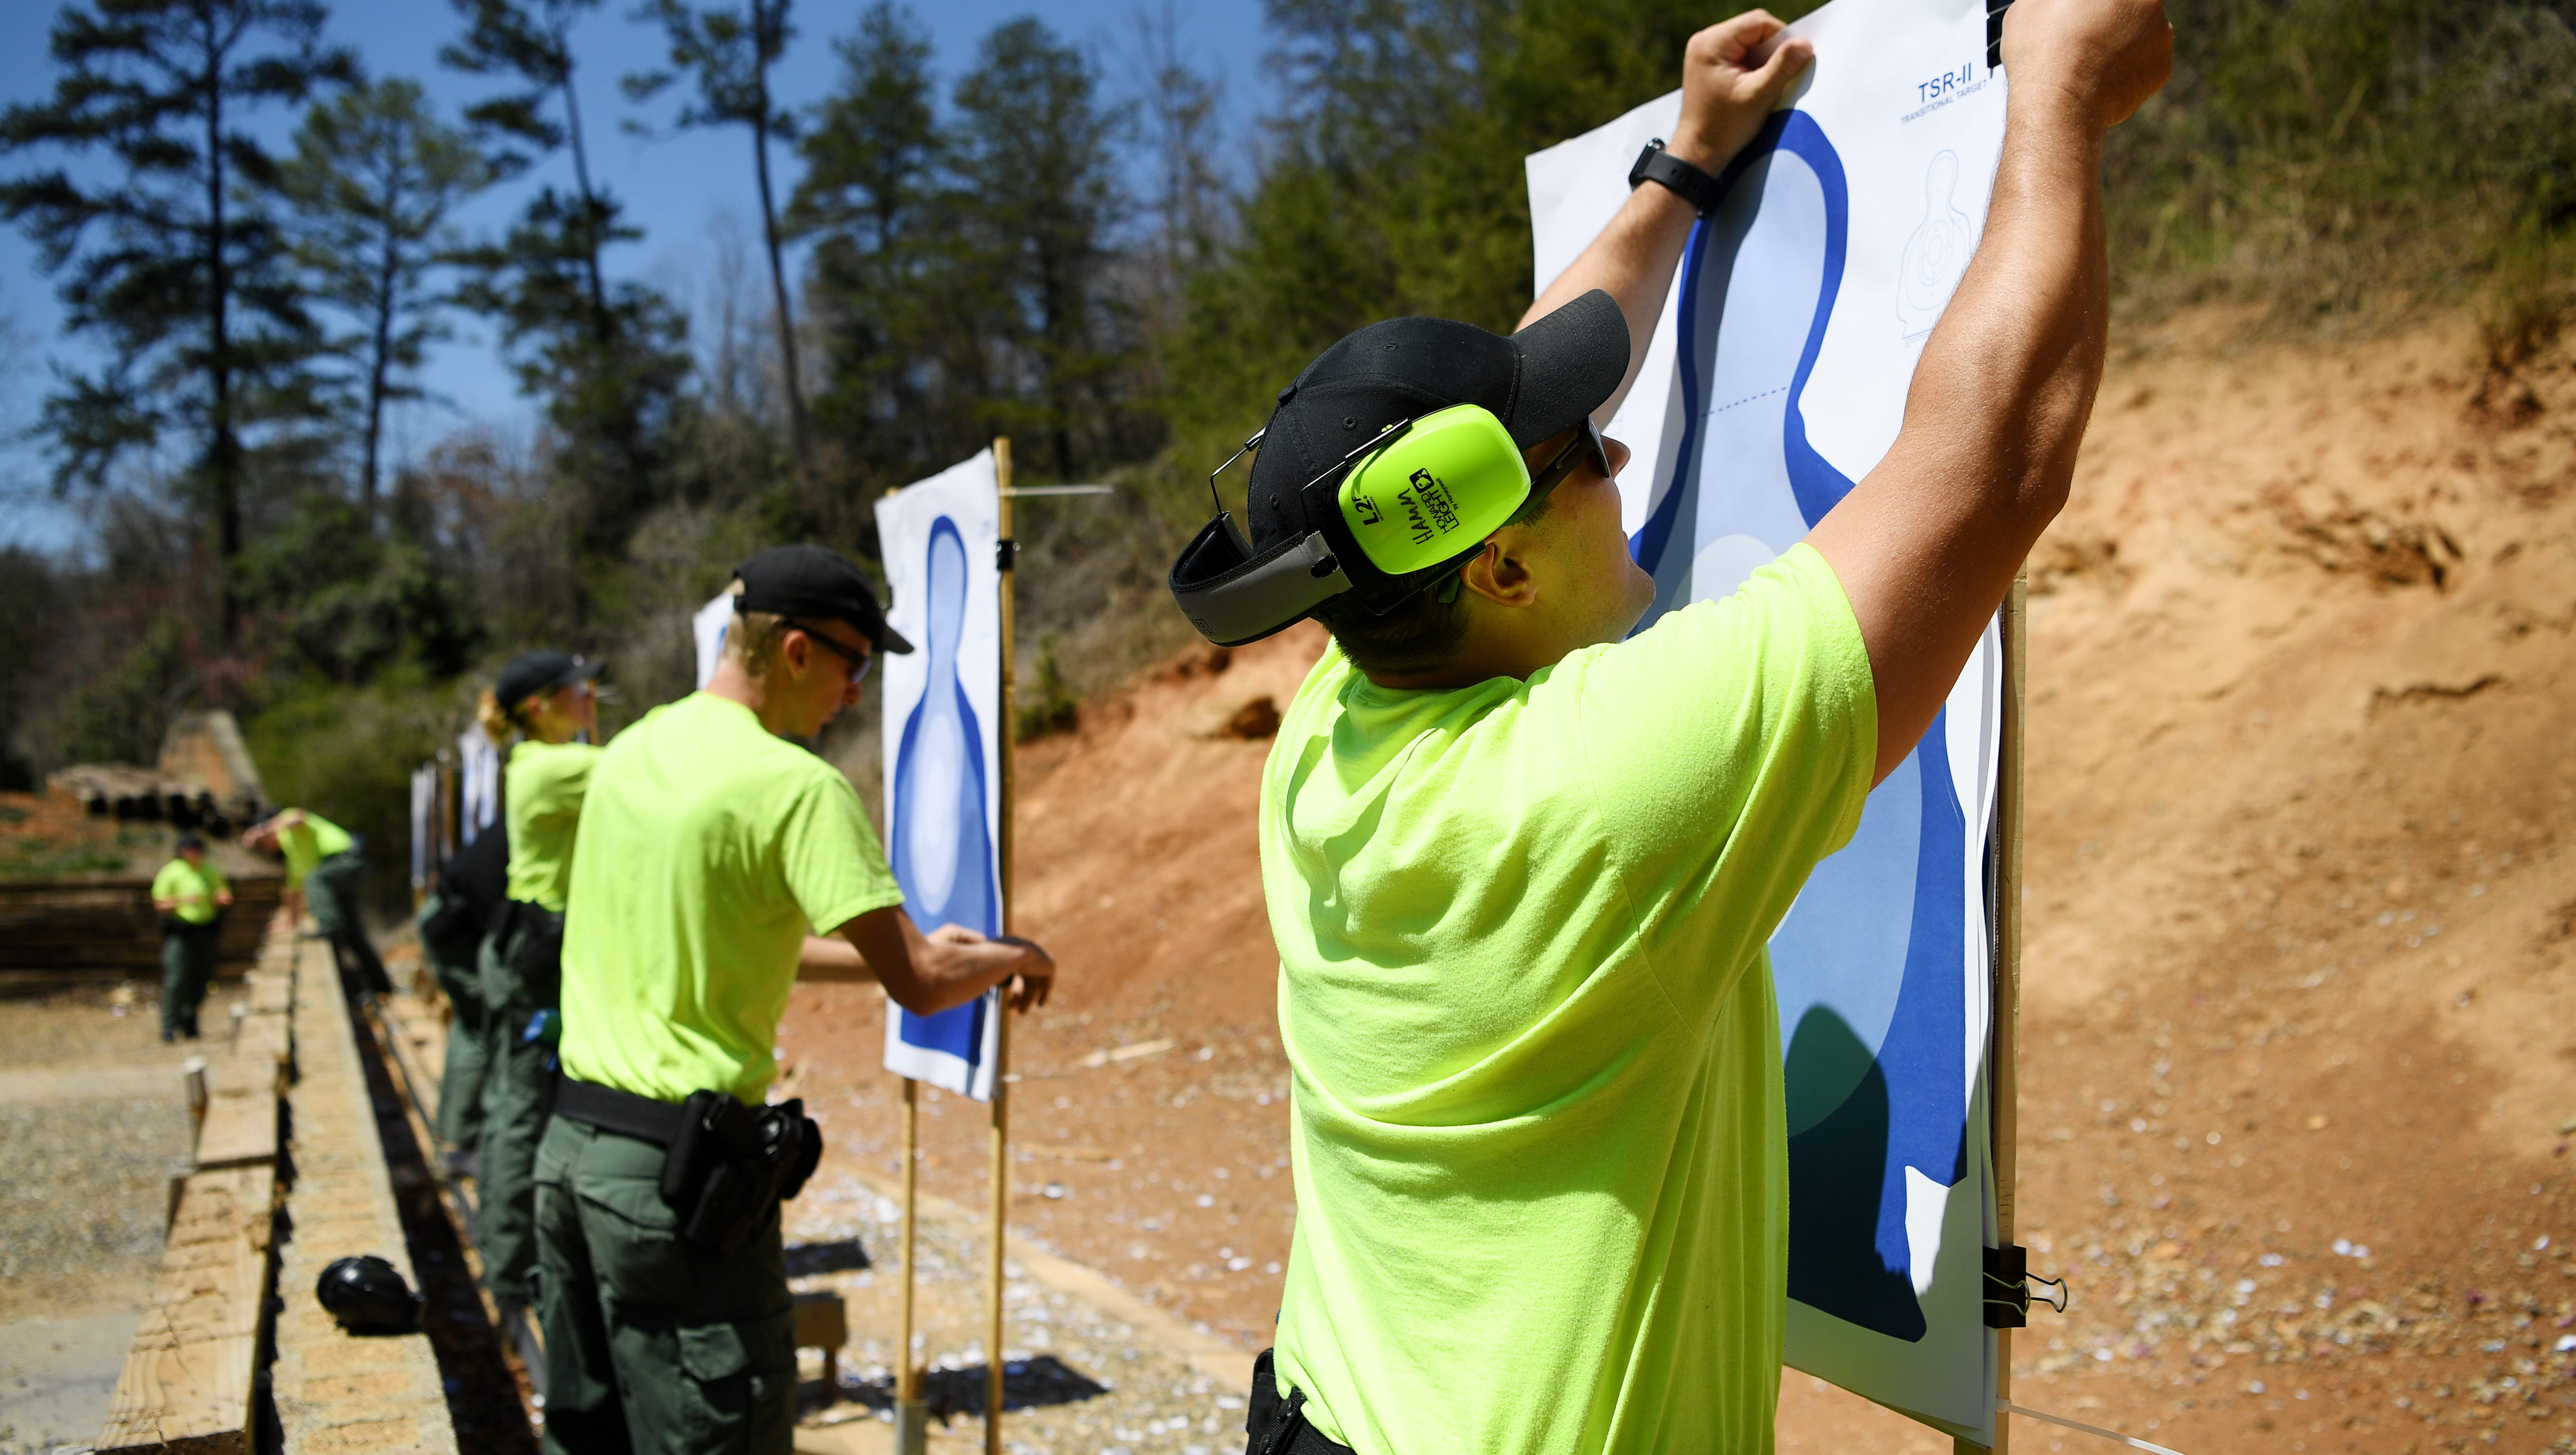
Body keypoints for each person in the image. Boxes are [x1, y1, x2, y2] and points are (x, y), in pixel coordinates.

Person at [1169, 2, 2174, 1451]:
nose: (1619, 442)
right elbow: (1994, 455)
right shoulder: (1594, 780)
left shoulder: (1342, 707)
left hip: (1332, 1407)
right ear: (1499, 568)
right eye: (1583, 450)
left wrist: (1680, 165)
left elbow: (1498, 402)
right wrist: (2056, 88)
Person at [534, 545, 1057, 1455]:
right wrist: (1014, 954)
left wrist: (925, 951)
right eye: (854, 665)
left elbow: (727, 933)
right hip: (672, 1190)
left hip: (571, 1160)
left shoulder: (630, 752)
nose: (856, 693)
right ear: (796, 650)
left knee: (591, 1438)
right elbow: (923, 988)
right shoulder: (796, 786)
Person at [472, 649, 604, 1343]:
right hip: (539, 955)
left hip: (527, 946)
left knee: (515, 1104)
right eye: (575, 690)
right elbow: (647, 768)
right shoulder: (555, 767)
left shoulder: (534, 763)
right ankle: (513, 1269)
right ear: (538, 707)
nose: (591, 696)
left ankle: (508, 1256)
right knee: (525, 1109)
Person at [415, 812, 509, 1174]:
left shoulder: (517, 819)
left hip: (446, 919)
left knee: (469, 1028)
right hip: (454, 929)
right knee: (482, 1029)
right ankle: (462, 1141)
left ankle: (453, 1132)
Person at [242, 806, 388, 993]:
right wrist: (290, 921)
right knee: (353, 932)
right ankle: (381, 984)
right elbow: (295, 890)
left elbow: (298, 817)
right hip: (341, 873)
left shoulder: (291, 826)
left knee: (315, 879)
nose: (265, 850)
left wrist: (262, 830)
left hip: (348, 859)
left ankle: (330, 928)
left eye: (262, 845)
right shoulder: (292, 855)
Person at [150, 832, 232, 1043]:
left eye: (199, 849)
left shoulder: (210, 871)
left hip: (206, 932)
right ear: (182, 851)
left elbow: (224, 893)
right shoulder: (171, 872)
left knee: (202, 979)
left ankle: (189, 1022)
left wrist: (222, 898)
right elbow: (160, 904)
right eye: (192, 849)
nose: (196, 853)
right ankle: (169, 1026)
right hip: (181, 933)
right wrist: (183, 901)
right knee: (177, 979)